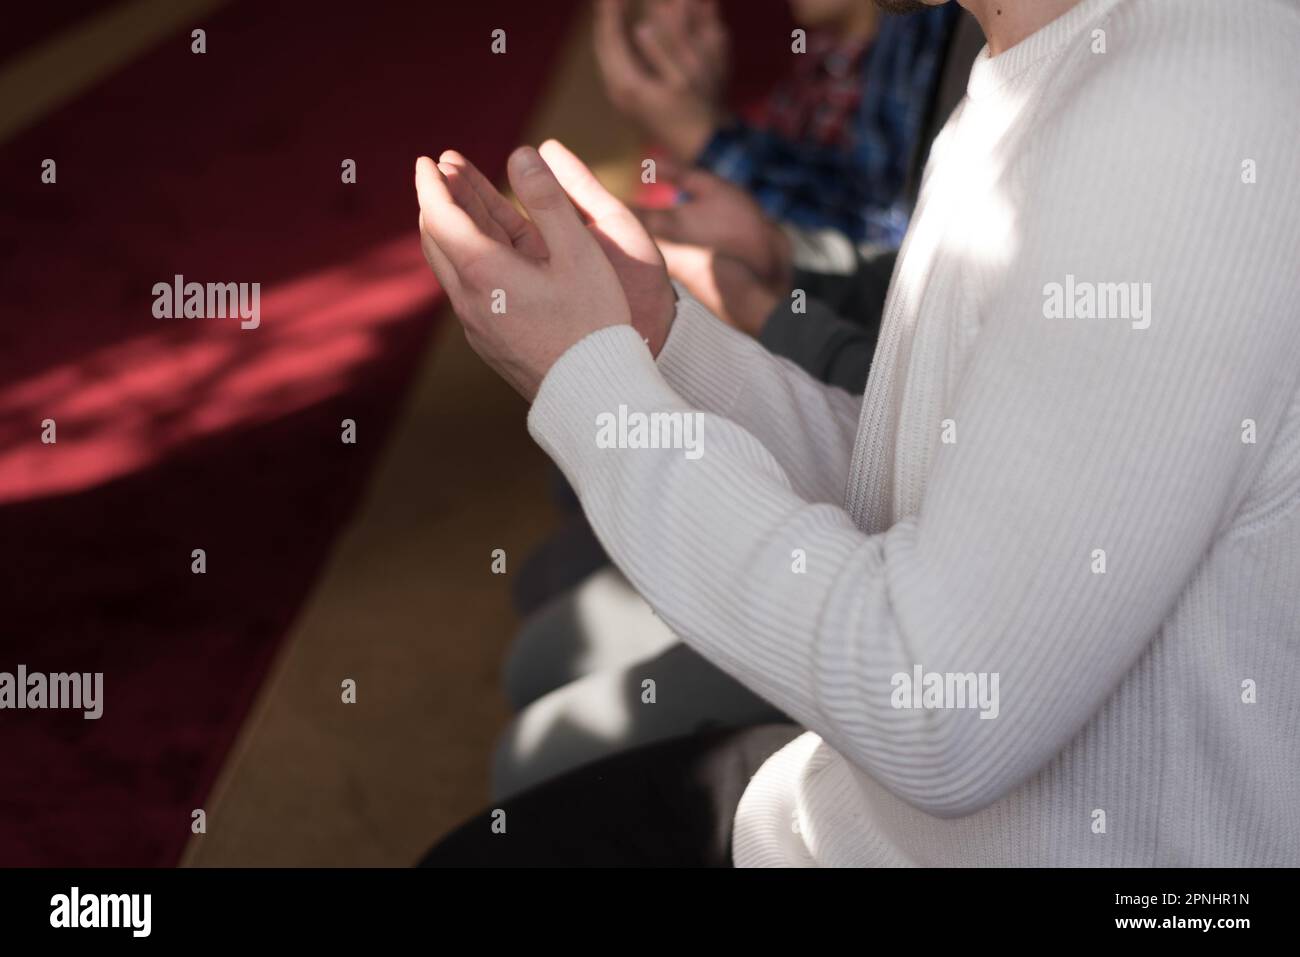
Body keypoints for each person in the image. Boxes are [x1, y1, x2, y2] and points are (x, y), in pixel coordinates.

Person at [417, 0, 1300, 866]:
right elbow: (924, 496)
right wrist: (662, 344)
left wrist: (591, 389)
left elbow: (944, 711)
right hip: (863, 810)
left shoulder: (1178, 114)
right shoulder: (1055, 53)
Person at [595, 0, 957, 245]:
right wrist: (703, 124)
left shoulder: (929, 26)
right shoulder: (809, 76)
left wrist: (699, 135)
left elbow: (901, 247)